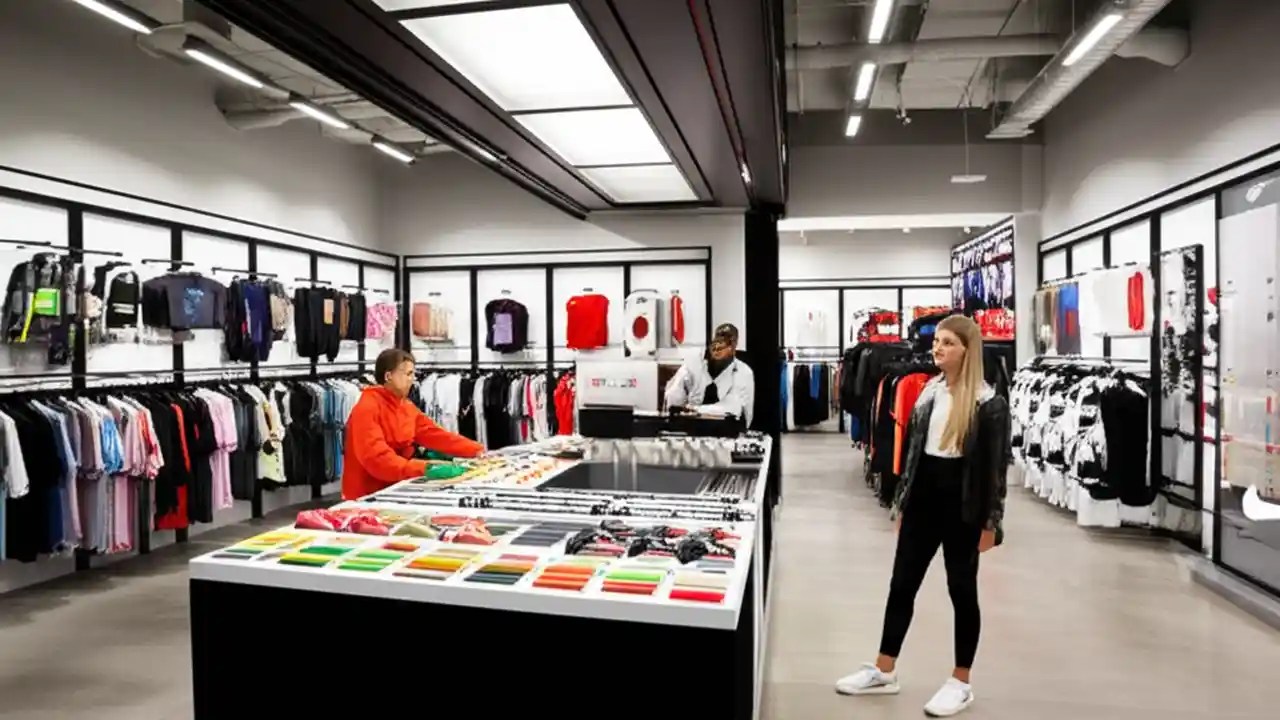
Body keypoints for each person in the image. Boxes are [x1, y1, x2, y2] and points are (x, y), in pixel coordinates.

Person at [834, 315, 1009, 718]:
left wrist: (990, 523)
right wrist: (902, 503)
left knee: (962, 592)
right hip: (923, 503)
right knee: (902, 585)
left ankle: (961, 680)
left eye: (948, 343)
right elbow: (913, 457)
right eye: (938, 342)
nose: (938, 348)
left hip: (963, 509)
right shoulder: (929, 392)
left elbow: (994, 473)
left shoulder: (989, 404)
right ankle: (884, 668)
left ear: (967, 349)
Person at [341, 348, 483, 500]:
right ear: (388, 376)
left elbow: (435, 434)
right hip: (365, 496)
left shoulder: (404, 406)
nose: (412, 379)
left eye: (413, 374)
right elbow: (377, 459)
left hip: (395, 488)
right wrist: (424, 468)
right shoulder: (366, 408)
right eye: (408, 374)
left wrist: (477, 451)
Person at [663, 322, 755, 426]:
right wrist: (677, 413)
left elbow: (732, 408)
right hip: (691, 427)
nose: (719, 346)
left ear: (734, 347)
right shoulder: (694, 364)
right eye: (718, 341)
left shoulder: (743, 372)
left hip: (725, 430)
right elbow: (673, 395)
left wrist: (694, 409)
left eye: (728, 343)